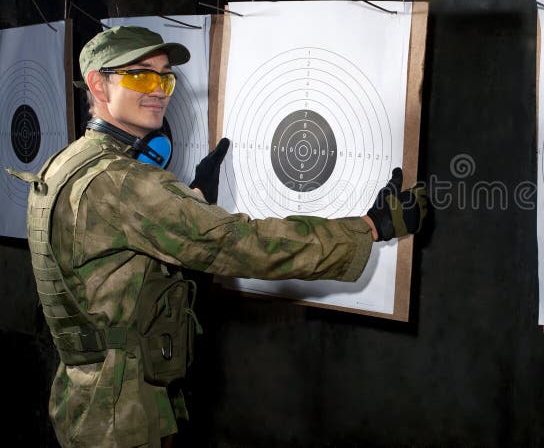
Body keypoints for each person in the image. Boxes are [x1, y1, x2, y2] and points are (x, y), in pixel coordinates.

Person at [8, 26, 427, 447]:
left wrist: (190, 199)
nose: (158, 91)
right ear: (98, 85)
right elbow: (243, 245)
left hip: (85, 397)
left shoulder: (65, 163)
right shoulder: (125, 182)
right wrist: (371, 227)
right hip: (123, 410)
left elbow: (108, 255)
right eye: (141, 75)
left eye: (165, 78)